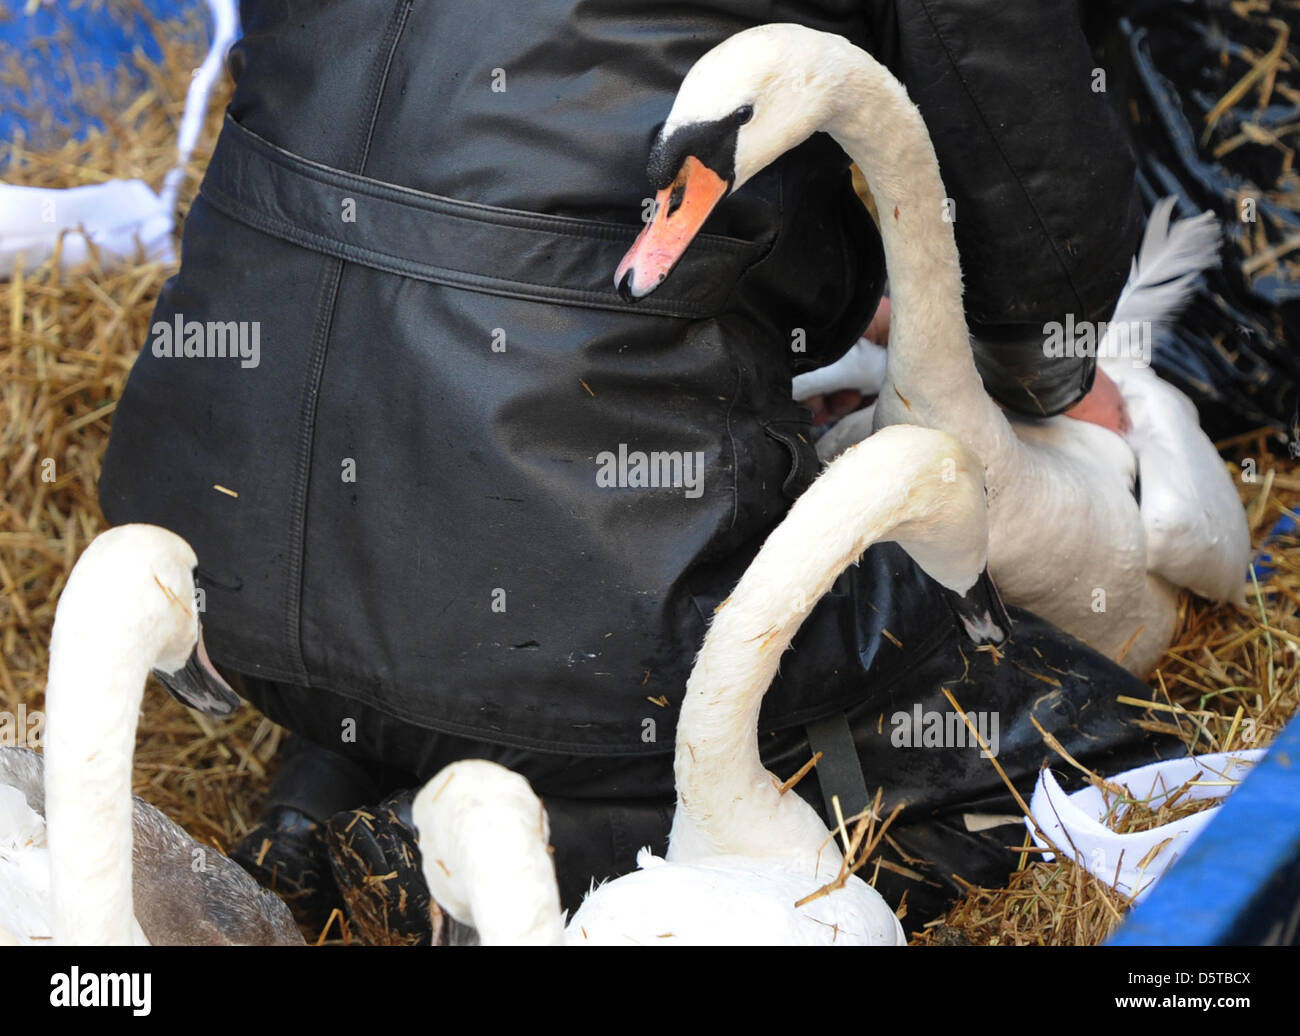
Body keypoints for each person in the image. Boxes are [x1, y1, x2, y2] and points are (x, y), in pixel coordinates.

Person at [99, 0, 1166, 936]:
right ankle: (557, 854)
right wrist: (1037, 365)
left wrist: (811, 292)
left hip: (214, 557)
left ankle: (314, 801)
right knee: (1102, 767)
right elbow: (1034, 194)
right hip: (590, 599)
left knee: (457, 587)